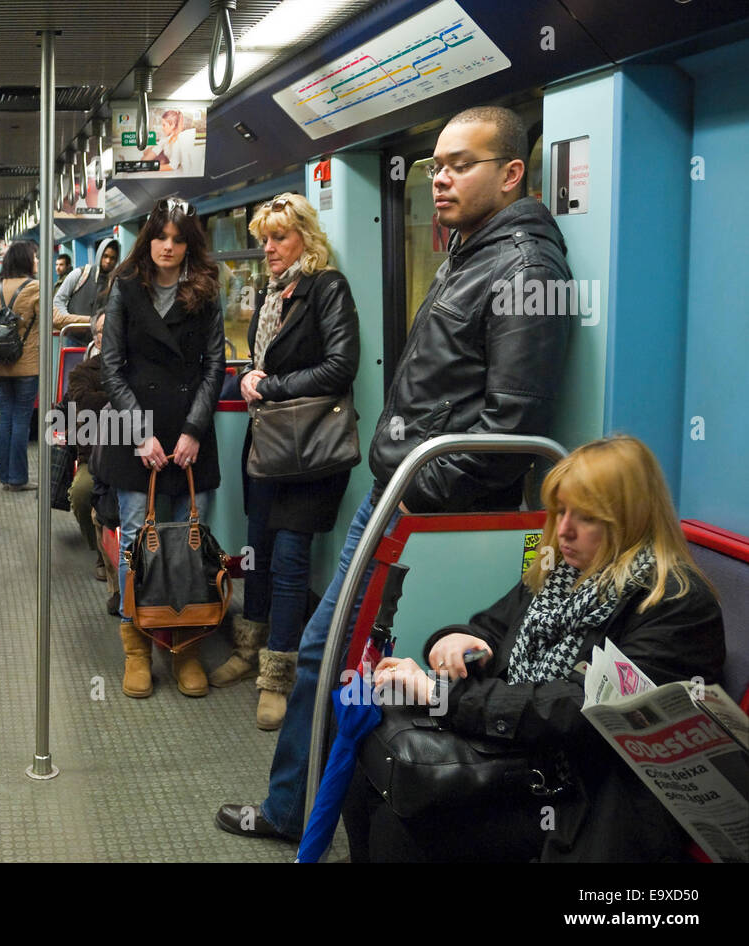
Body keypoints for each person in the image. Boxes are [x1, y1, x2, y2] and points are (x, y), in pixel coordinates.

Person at [217, 105, 574, 841]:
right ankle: (306, 807)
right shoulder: (469, 253)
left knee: (333, 653)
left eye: (460, 164)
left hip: (429, 510)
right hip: (404, 497)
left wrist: (412, 495)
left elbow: (511, 430)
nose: (439, 178)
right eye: (434, 164)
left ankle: (299, 812)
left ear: (512, 174)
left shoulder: (525, 269)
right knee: (337, 655)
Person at [349, 436, 725, 862]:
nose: (563, 529)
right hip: (526, 756)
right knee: (366, 753)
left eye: (586, 517)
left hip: (582, 795)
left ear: (631, 520)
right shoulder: (563, 571)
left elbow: (574, 711)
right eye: (561, 510)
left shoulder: (674, 604)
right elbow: (493, 628)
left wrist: (441, 696)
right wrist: (456, 640)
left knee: (407, 820)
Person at [208, 193, 360, 731]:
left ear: (307, 239)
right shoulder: (274, 294)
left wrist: (268, 385)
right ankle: (250, 645)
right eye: (264, 239)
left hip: (314, 452)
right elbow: (265, 360)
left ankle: (279, 674)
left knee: (292, 559)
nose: (269, 248)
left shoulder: (326, 289)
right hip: (270, 445)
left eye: (280, 237)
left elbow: (341, 366)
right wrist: (247, 376)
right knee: (258, 549)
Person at [101, 197, 226, 698]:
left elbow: (216, 365)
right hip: (140, 435)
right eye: (161, 238)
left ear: (189, 243)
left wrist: (194, 429)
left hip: (191, 435)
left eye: (178, 239)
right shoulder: (126, 289)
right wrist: (140, 432)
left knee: (190, 544)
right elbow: (112, 365)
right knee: (138, 542)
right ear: (148, 240)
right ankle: (137, 646)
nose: (168, 248)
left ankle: (187, 649)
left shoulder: (207, 291)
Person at [0, 241, 41, 492]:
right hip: (27, 366)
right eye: (34, 258)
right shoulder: (35, 288)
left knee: (6, 418)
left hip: (0, 366)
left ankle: (5, 476)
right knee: (21, 420)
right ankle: (18, 478)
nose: (36, 261)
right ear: (26, 261)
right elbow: (53, 319)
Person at [63, 313, 113, 586]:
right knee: (82, 494)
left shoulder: (137, 366)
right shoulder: (82, 372)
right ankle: (100, 550)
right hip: (93, 453)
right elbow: (84, 401)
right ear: (96, 337)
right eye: (104, 329)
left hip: (134, 453)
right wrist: (122, 396)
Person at [53, 238, 121, 345]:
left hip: (99, 342)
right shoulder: (80, 274)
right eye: (105, 256)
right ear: (99, 255)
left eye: (112, 258)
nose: (108, 261)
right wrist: (70, 321)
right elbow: (58, 301)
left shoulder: (115, 283)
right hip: (74, 338)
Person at [141, 109, 196, 174]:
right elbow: (151, 154)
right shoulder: (165, 139)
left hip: (172, 163)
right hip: (165, 156)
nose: (162, 128)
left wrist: (151, 168)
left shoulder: (177, 141)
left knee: (152, 153)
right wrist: (142, 165)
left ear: (172, 125)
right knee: (147, 151)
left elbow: (173, 166)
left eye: (164, 125)